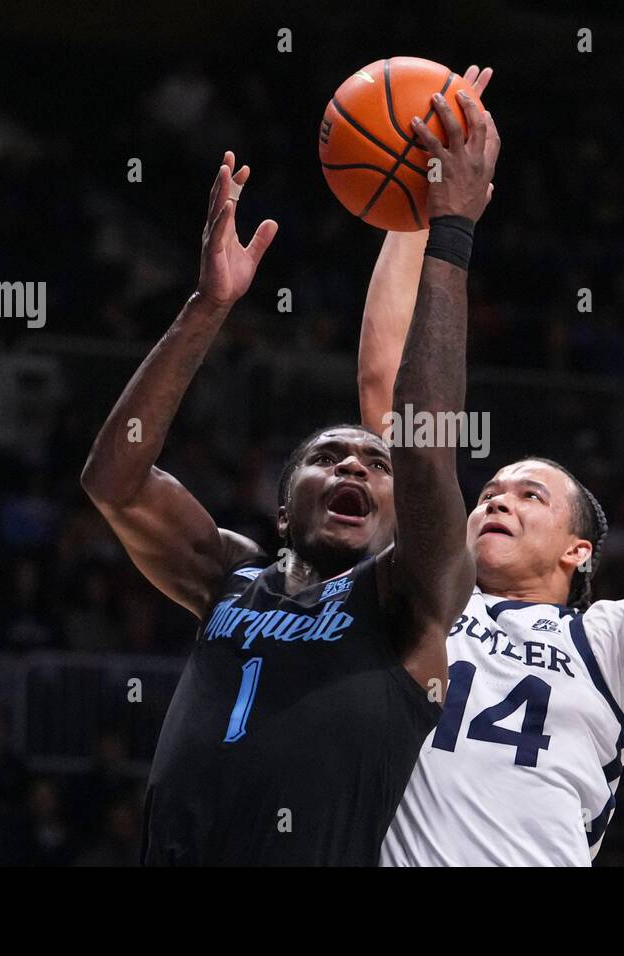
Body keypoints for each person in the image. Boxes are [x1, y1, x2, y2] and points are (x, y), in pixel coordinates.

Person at [81, 89, 498, 864]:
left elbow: (424, 439)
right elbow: (115, 480)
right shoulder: (229, 578)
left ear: (399, 514)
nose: (353, 464)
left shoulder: (410, 602)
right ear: (280, 512)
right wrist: (207, 306)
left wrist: (452, 231)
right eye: (326, 457)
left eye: (375, 464)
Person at [356, 142, 624, 862]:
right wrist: (416, 207)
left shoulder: (612, 643)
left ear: (577, 550)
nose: (497, 501)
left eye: (531, 495)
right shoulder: (425, 588)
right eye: (489, 492)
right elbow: (384, 386)